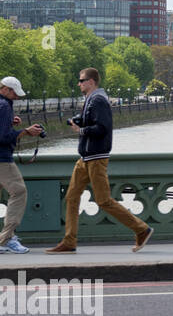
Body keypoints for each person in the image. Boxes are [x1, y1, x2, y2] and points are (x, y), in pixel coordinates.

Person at [45, 68, 153, 254]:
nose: (79, 84)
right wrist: (78, 121)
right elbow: (90, 120)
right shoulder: (91, 100)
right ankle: (69, 241)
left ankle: (141, 229)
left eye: (81, 80)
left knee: (103, 201)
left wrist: (81, 131)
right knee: (71, 197)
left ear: (92, 81)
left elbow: (103, 127)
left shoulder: (98, 100)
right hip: (85, 158)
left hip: (96, 158)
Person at [0, 75, 45, 254]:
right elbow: (2, 137)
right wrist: (25, 132)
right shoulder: (4, 106)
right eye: (14, 93)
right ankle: (6, 238)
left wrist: (9, 123)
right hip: (2, 159)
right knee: (19, 192)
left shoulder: (3, 105)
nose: (17, 97)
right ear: (5, 89)